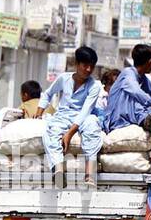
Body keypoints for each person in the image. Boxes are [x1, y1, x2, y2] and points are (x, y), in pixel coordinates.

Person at [36, 46, 103, 188]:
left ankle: (89, 175)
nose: (88, 70)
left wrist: (69, 134)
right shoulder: (63, 78)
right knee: (50, 129)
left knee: (93, 124)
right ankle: (59, 170)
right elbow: (48, 94)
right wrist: (39, 111)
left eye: (92, 66)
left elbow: (85, 111)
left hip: (83, 117)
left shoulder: (95, 86)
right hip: (62, 116)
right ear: (77, 64)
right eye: (85, 65)